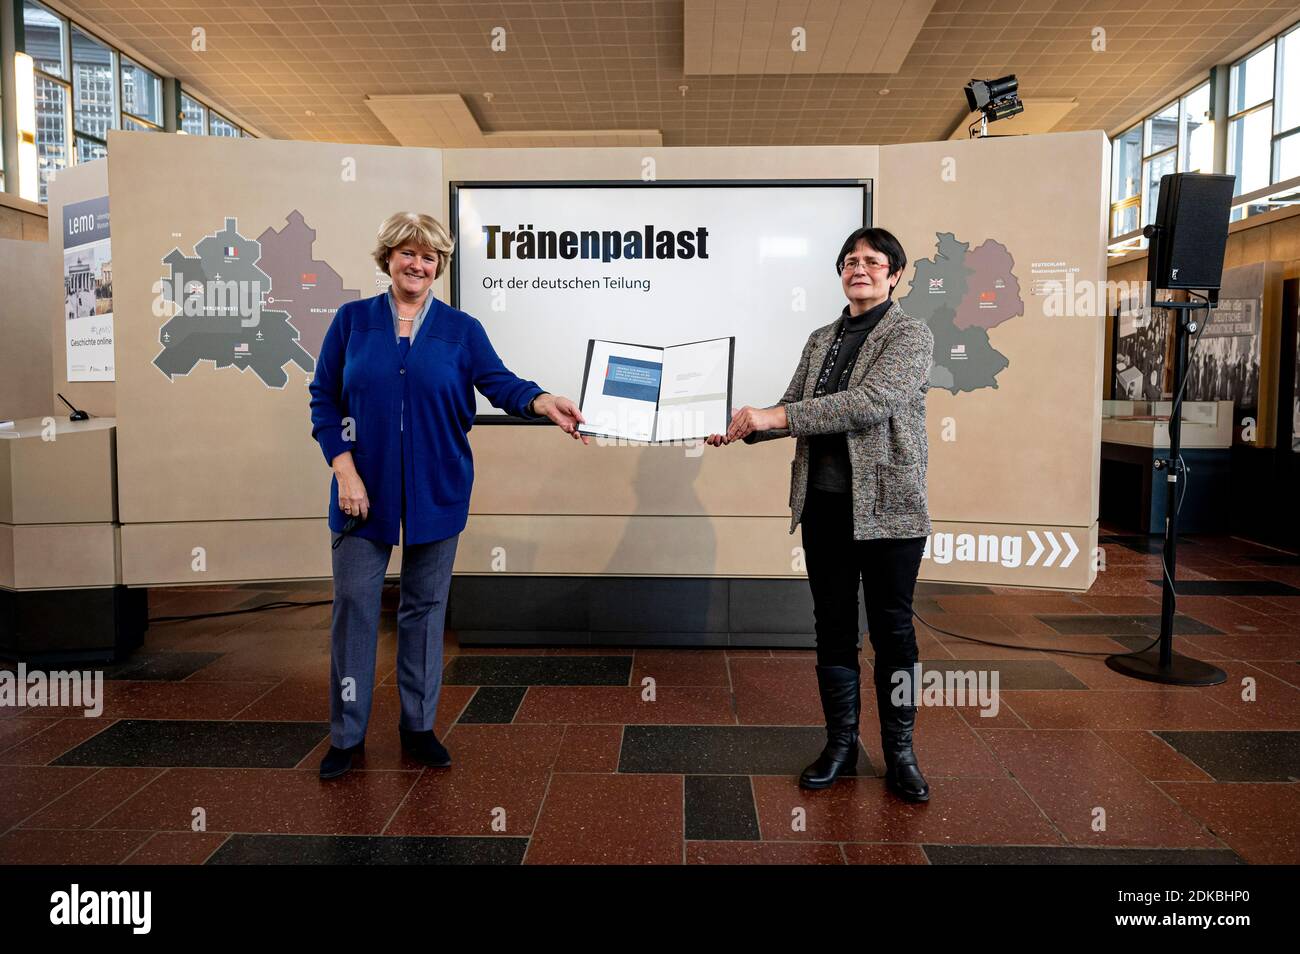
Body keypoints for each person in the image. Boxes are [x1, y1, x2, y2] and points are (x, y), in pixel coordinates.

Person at [309, 211, 588, 780]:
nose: (418, 264)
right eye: (408, 253)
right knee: (356, 609)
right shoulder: (352, 322)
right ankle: (347, 735)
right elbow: (324, 401)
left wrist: (542, 401)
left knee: (424, 609)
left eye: (430, 255)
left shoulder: (461, 330)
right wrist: (344, 470)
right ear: (387, 257)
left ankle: (417, 726)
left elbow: (501, 383)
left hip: (438, 486)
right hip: (361, 490)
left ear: (440, 265)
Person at [706, 226, 935, 802]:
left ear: (894, 275)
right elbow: (792, 405)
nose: (860, 268)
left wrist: (773, 418)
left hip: (889, 508)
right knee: (832, 626)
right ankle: (840, 745)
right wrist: (740, 427)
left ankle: (901, 752)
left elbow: (870, 403)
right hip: (825, 507)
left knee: (893, 630)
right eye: (850, 261)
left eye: (873, 261)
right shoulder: (820, 338)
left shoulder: (911, 334)